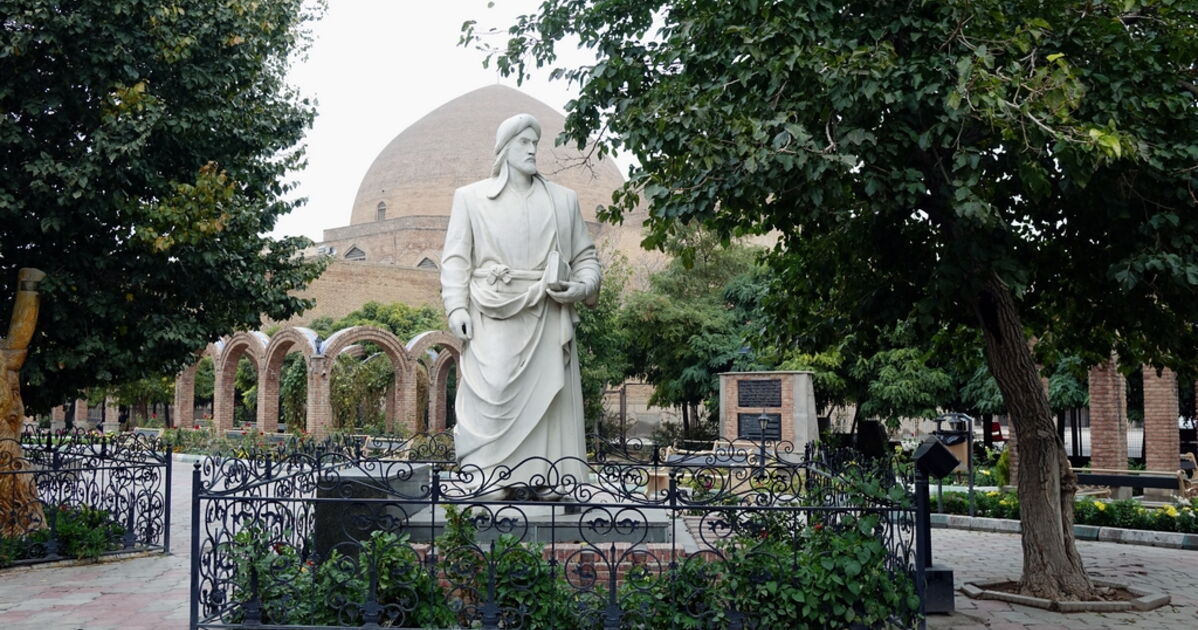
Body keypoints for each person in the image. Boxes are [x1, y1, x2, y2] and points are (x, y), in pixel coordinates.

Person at [440, 114, 601, 498]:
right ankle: (488, 476)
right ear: (504, 149)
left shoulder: (563, 200)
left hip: (547, 310)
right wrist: (456, 307)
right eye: (523, 143)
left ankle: (546, 478)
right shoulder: (471, 198)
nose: (532, 150)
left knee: (549, 398)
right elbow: (456, 259)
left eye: (535, 143)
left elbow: (587, 258)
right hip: (491, 310)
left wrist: (579, 288)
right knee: (493, 391)